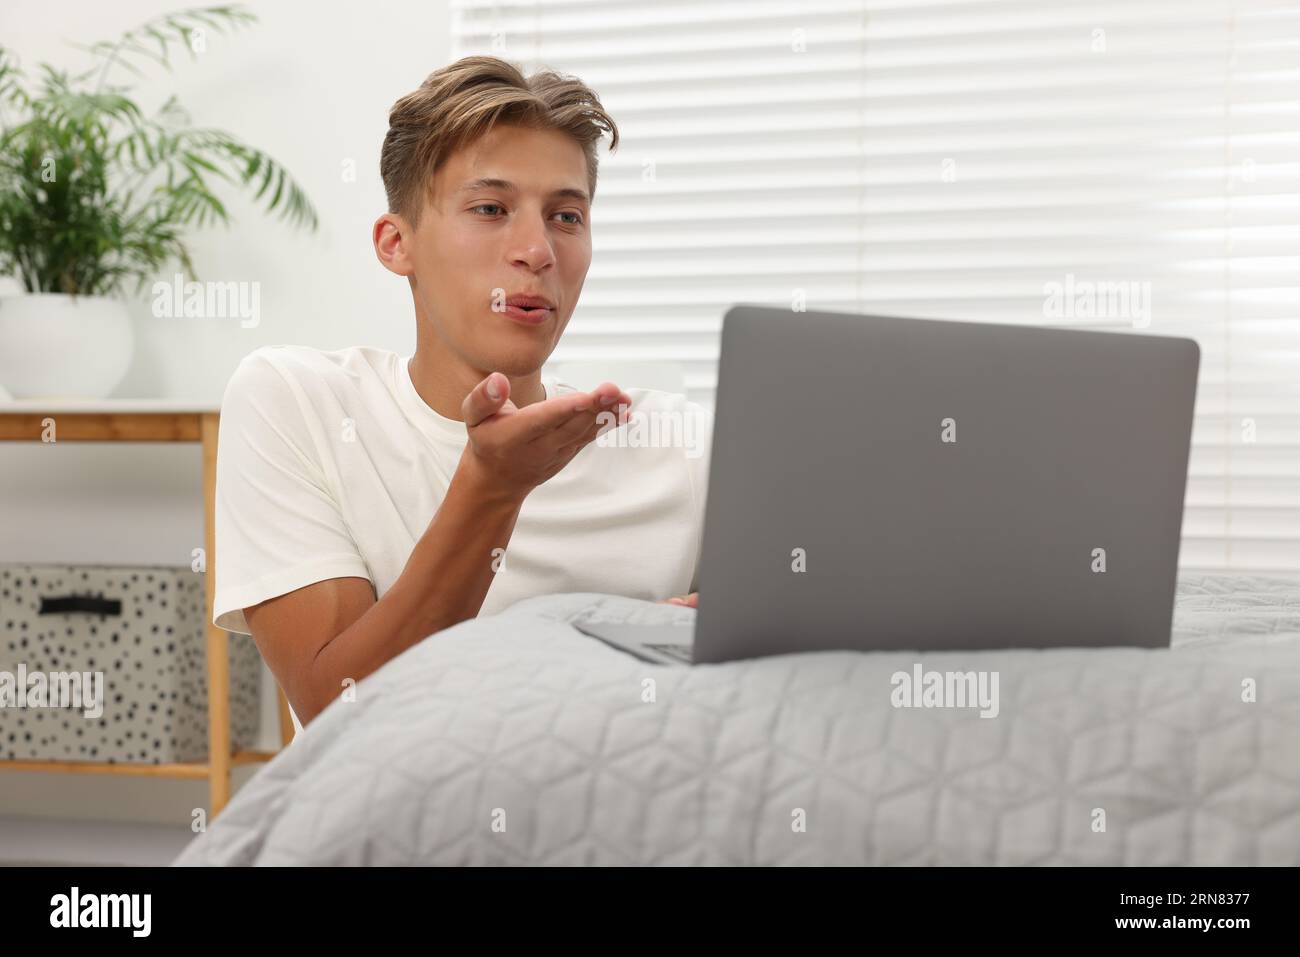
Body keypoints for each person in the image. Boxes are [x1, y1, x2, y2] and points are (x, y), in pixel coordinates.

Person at [212, 56, 711, 727]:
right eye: (490, 208)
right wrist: (492, 485)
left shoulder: (678, 444)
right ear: (397, 244)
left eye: (566, 216)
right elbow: (343, 712)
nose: (537, 250)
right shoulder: (300, 402)